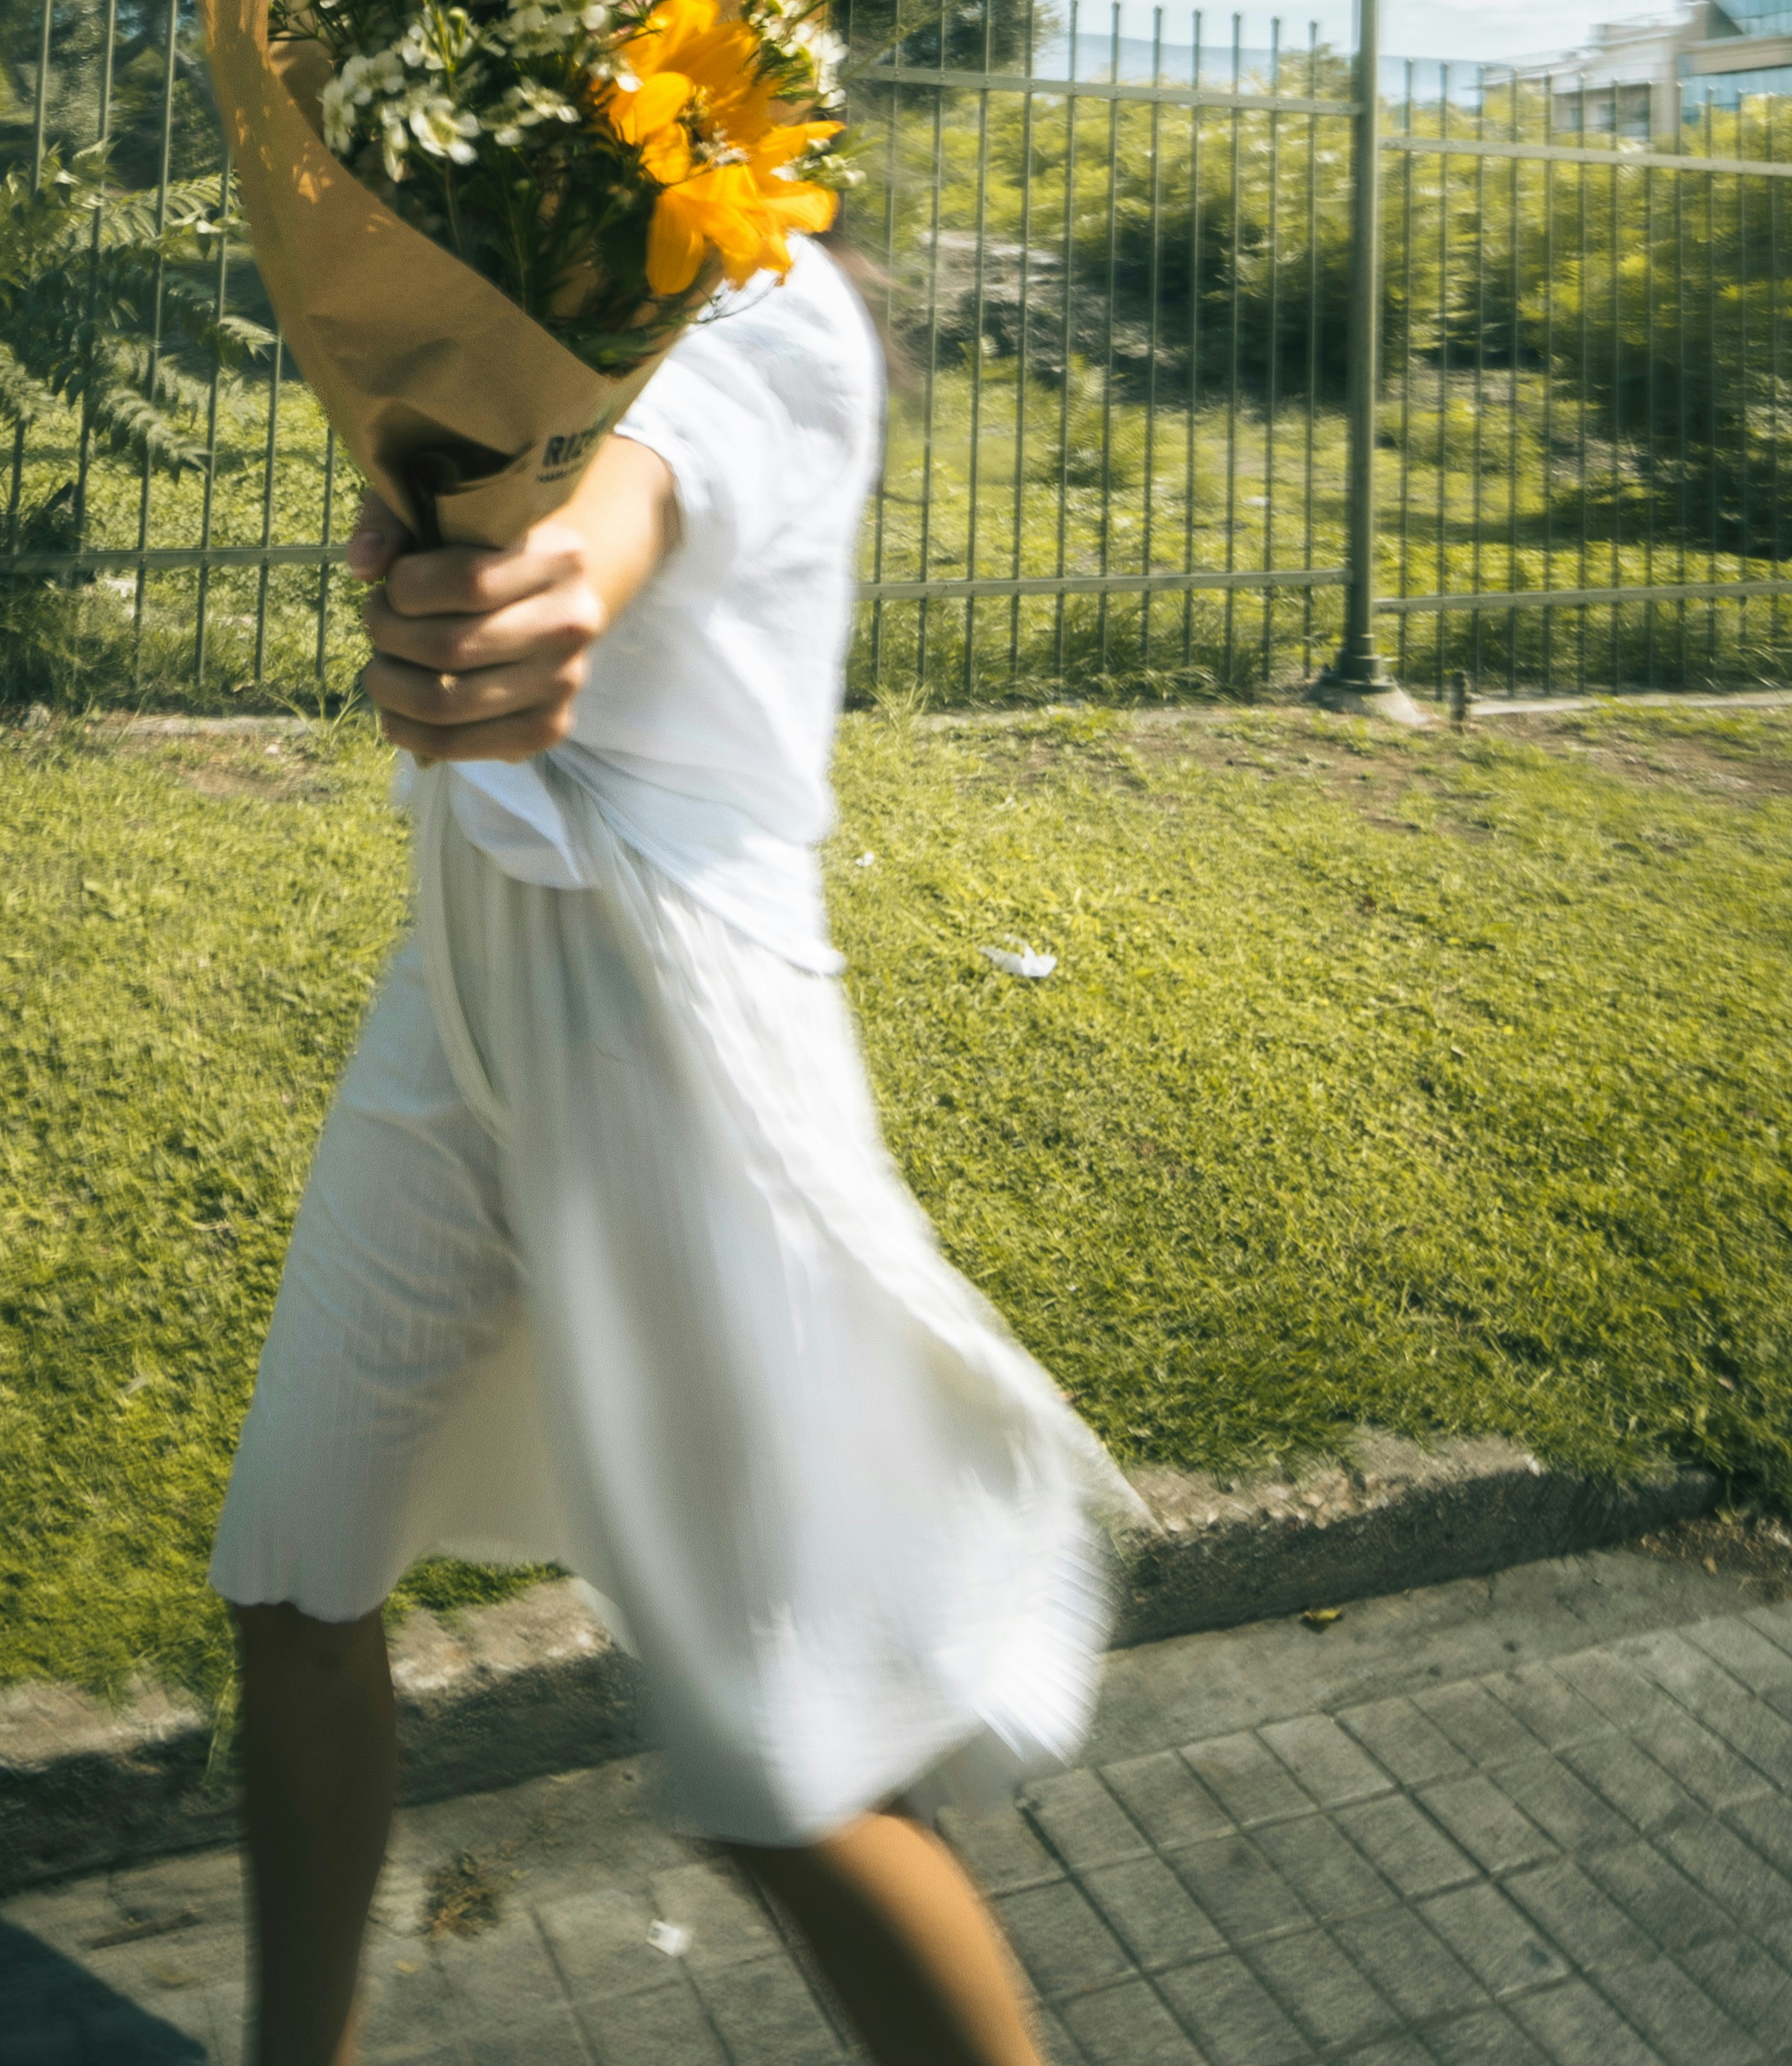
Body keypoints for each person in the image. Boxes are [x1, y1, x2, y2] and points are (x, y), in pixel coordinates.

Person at [214, 244, 1136, 2066]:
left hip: (672, 1034)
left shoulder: (777, 308)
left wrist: (517, 605)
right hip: (459, 984)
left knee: (784, 1769)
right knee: (290, 1582)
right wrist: (428, 554)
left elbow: (617, 518)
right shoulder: (541, 292)